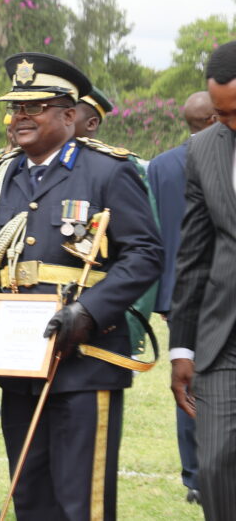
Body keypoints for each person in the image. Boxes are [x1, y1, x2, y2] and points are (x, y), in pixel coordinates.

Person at [0, 53, 163, 520]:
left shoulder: (106, 171)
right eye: (15, 109)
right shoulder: (5, 174)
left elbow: (145, 255)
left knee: (82, 502)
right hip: (19, 362)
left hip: (84, 359)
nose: (20, 118)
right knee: (31, 495)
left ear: (70, 115)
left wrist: (91, 312)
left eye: (33, 108)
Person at [169, 41, 236, 521]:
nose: (230, 123)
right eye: (222, 113)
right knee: (213, 468)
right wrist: (182, 349)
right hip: (223, 339)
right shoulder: (203, 150)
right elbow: (193, 254)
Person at [149, 90, 214, 505]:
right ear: (211, 121)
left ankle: (193, 475)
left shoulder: (158, 165)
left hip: (176, 292)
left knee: (186, 377)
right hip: (214, 287)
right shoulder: (220, 159)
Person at [75, 86, 159, 355]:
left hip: (98, 325)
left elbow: (143, 250)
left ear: (91, 123)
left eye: (68, 110)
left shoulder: (121, 168)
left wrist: (133, 325)